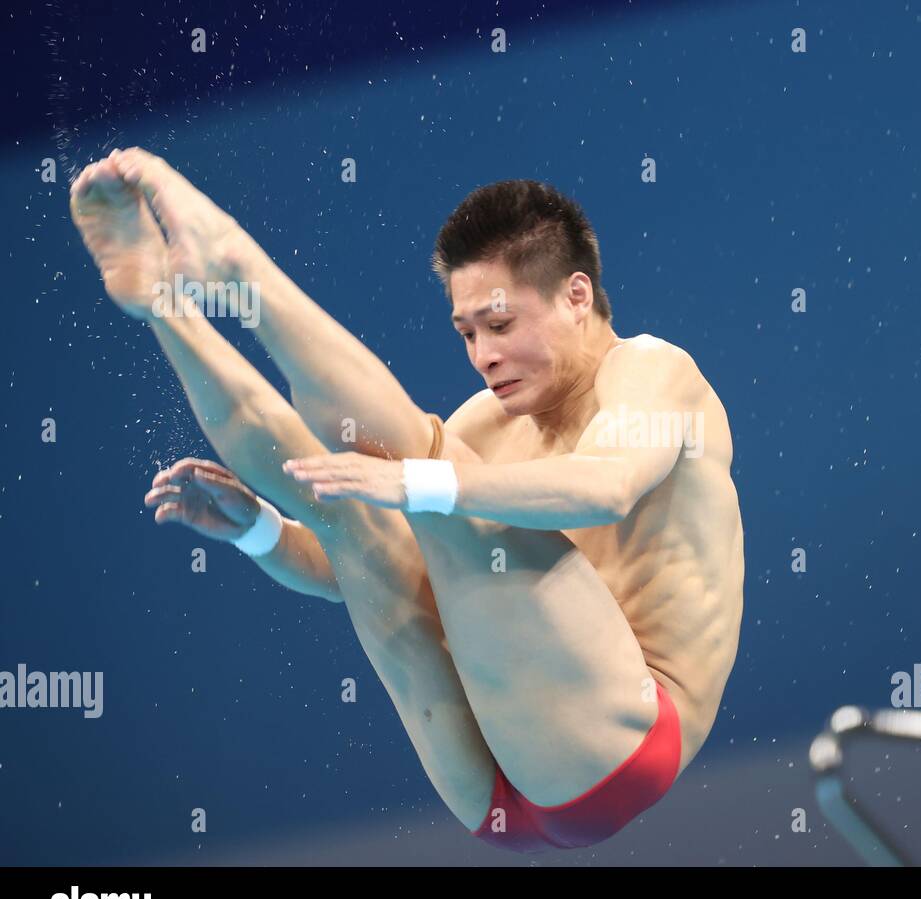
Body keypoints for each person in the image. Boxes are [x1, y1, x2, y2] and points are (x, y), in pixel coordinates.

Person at [71, 147, 744, 852]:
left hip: (621, 744)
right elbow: (359, 569)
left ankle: (238, 265)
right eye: (467, 334)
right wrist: (261, 533)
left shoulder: (654, 373)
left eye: (501, 324)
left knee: (418, 462)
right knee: (342, 506)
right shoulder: (484, 425)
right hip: (492, 796)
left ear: (577, 296)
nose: (482, 355)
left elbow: (608, 486)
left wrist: (426, 479)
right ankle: (165, 306)